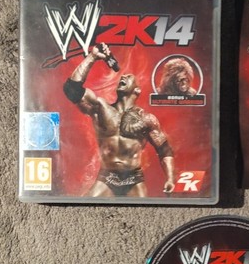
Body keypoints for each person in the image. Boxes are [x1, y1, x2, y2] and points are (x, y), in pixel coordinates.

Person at [63, 43, 175, 197]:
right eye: (122, 76)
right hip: (106, 177)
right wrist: (92, 56)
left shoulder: (147, 119)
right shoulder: (100, 108)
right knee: (86, 205)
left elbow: (164, 150)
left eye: (128, 77)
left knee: (143, 209)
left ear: (137, 90)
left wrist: (170, 178)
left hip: (134, 179)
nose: (123, 76)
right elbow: (71, 89)